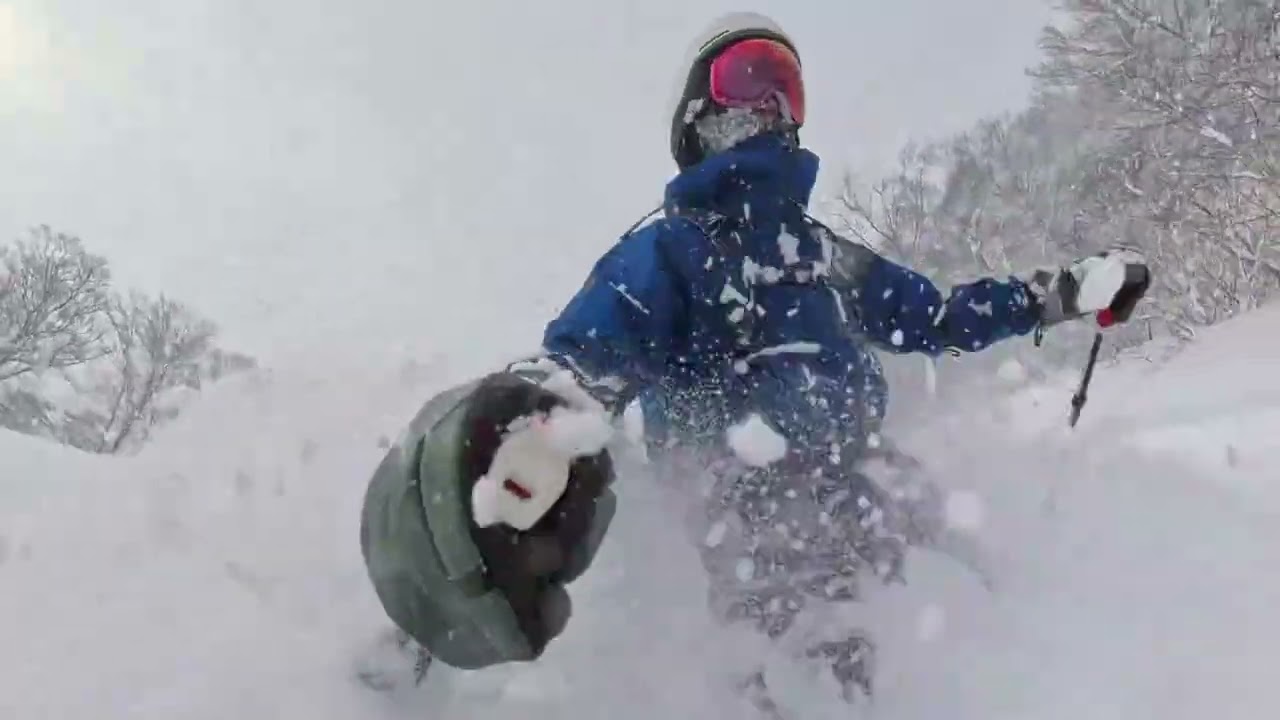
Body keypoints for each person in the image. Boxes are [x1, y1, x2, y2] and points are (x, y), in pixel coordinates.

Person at [358, 9, 1151, 703]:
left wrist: (1062, 295)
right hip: (743, 529)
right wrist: (517, 422)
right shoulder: (668, 254)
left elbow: (937, 317)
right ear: (698, 112)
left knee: (981, 619)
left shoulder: (823, 256)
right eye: (750, 78)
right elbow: (583, 365)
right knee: (785, 680)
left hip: (868, 498)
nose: (771, 105)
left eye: (786, 89)